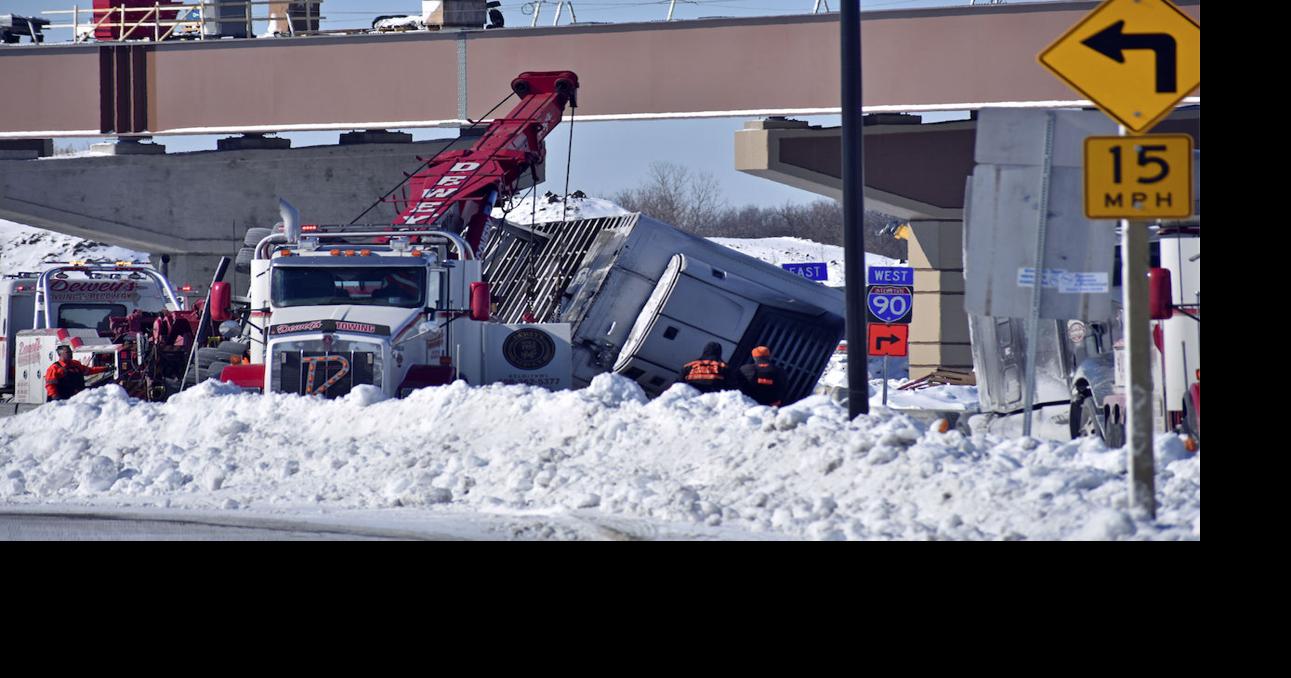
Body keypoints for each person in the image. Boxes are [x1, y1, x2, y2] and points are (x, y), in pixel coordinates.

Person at [44, 344, 110, 402]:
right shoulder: (54, 368)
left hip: (77, 399)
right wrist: (55, 397)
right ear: (60, 354)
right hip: (62, 399)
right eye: (67, 352)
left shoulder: (75, 364)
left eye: (71, 351)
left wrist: (105, 368)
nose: (70, 353)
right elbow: (50, 385)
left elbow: (89, 370)